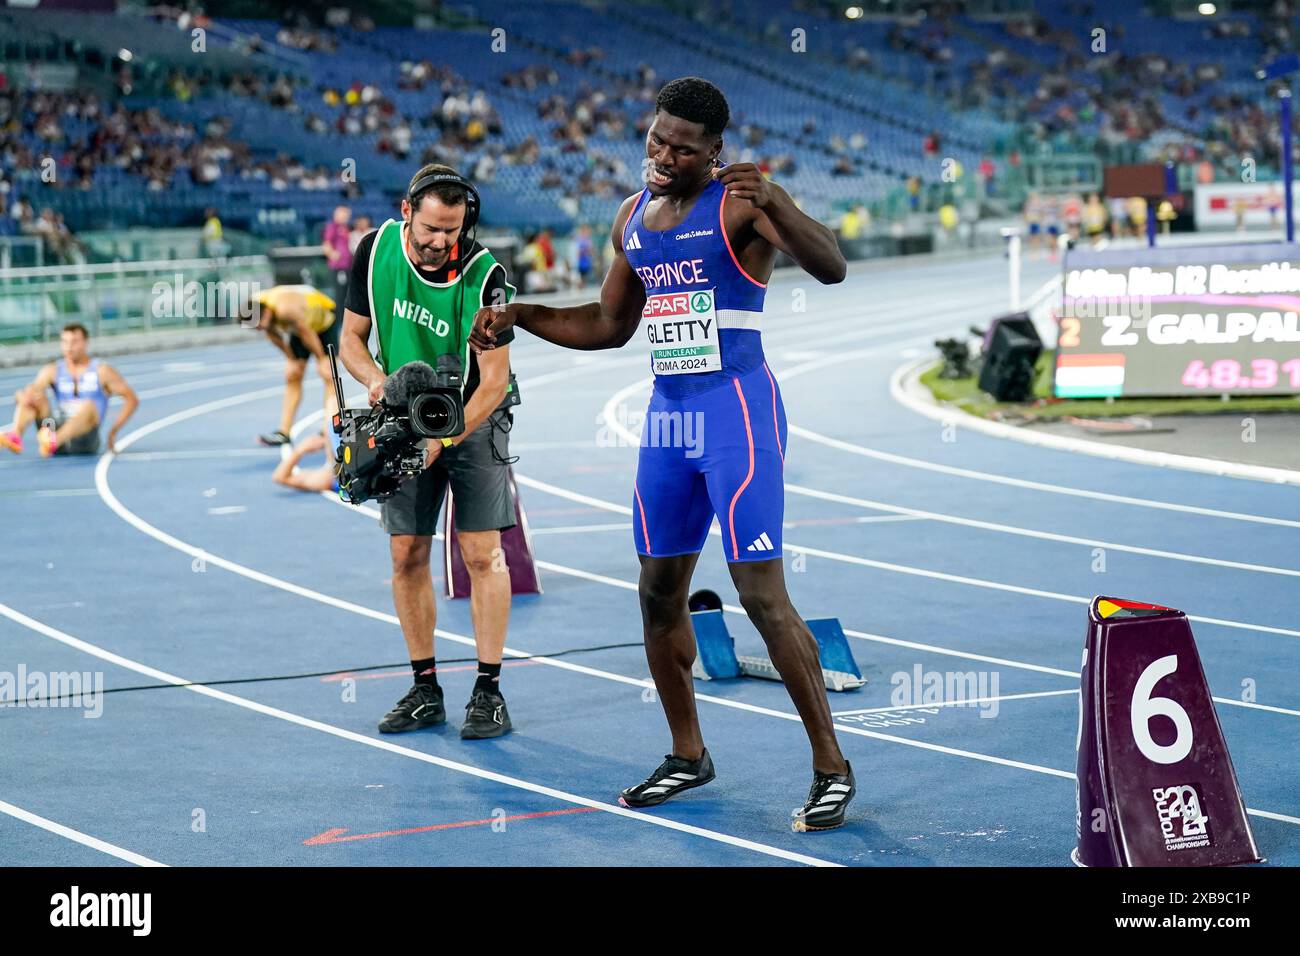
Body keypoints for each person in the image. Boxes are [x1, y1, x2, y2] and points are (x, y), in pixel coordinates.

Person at [471, 77, 855, 832]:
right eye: (657, 140)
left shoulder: (741, 205)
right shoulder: (632, 218)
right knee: (655, 591)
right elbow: (611, 324)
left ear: (715, 152)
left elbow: (832, 264)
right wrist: (523, 317)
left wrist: (778, 201)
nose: (664, 155)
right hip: (669, 421)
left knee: (761, 596)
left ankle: (830, 766)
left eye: (683, 148)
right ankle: (688, 753)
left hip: (737, 414)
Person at [339, 163, 519, 741]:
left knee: (482, 555)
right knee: (405, 555)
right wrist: (373, 381)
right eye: (431, 231)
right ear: (406, 213)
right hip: (401, 415)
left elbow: (493, 382)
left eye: (454, 231)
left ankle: (489, 691)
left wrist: (442, 440)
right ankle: (425, 688)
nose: (442, 243)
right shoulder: (373, 252)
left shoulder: (488, 277)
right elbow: (350, 340)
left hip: (472, 414)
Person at [1, 322, 138, 457]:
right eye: (65, 342)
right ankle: (16, 435)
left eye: (74, 342)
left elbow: (132, 399)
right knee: (35, 397)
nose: (69, 347)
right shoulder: (53, 370)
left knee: (89, 405)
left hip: (84, 439)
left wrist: (113, 431)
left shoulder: (102, 371)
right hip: (56, 428)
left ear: (85, 343)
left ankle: (54, 441)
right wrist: (21, 396)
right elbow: (31, 391)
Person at [249, 284, 340, 447]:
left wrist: (321, 359)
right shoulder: (254, 308)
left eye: (259, 325)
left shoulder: (285, 310)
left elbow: (308, 333)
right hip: (299, 327)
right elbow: (271, 333)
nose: (259, 329)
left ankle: (329, 425)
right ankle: (284, 432)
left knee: (328, 375)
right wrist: (291, 358)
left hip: (323, 322)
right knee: (292, 375)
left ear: (268, 313)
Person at [272, 432, 337, 493]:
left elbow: (280, 477)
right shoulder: (330, 478)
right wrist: (300, 450)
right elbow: (280, 477)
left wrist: (300, 449)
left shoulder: (331, 477)